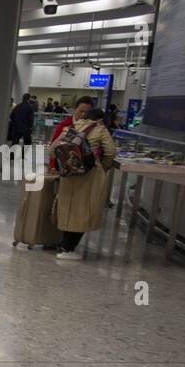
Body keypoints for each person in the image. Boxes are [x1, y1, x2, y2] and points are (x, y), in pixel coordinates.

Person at [51, 107, 115, 260]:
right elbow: (110, 152)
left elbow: (53, 149)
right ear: (99, 119)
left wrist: (65, 163)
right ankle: (69, 248)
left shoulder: (70, 128)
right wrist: (102, 167)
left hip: (69, 172)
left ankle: (64, 243)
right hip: (89, 175)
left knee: (68, 207)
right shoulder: (100, 129)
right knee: (84, 209)